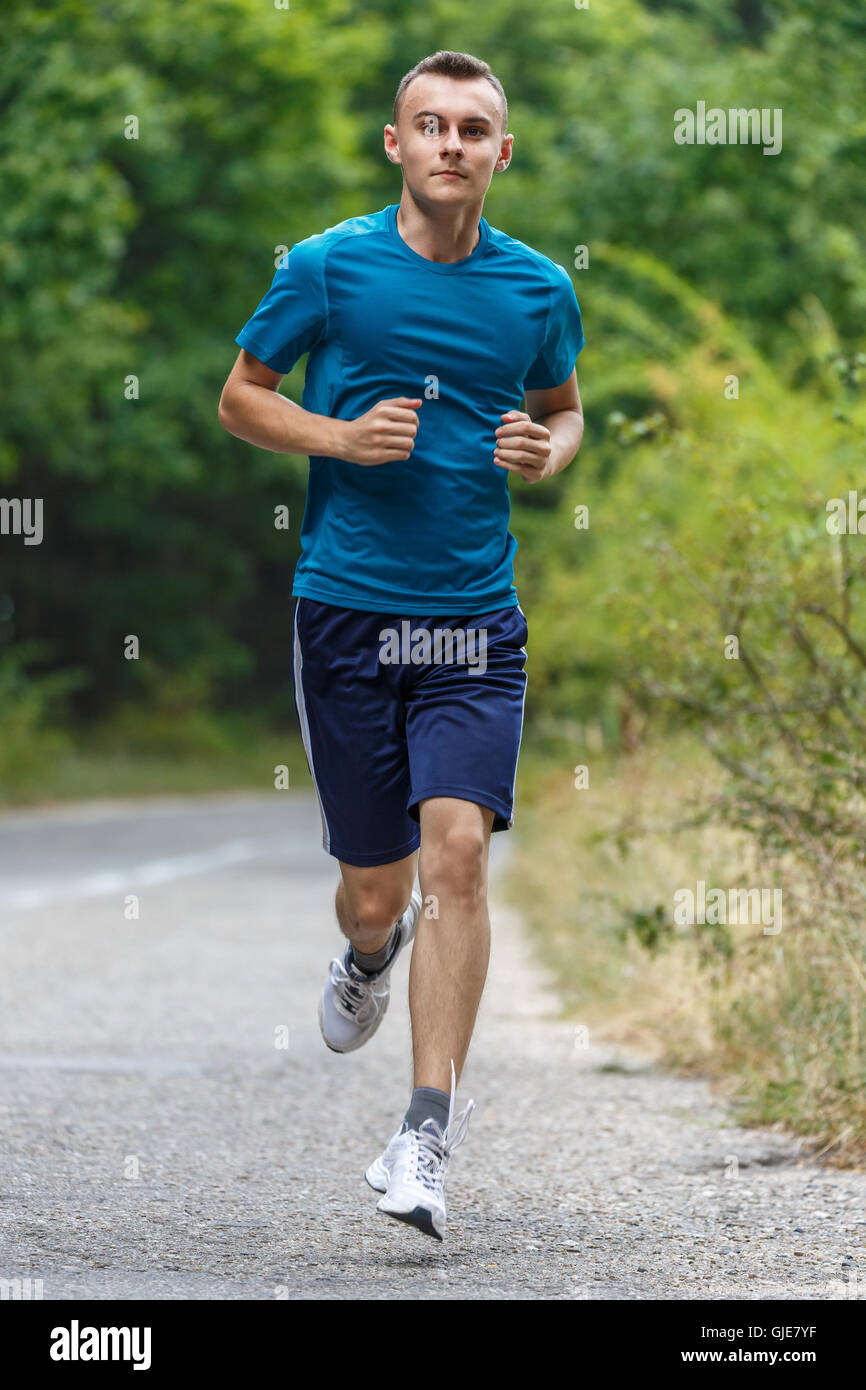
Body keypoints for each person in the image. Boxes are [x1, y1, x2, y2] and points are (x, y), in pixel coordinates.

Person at [218, 49, 584, 1240]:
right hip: (347, 614)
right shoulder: (328, 267)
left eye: (472, 129)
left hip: (473, 618)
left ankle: (422, 1135)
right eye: (427, 125)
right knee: (374, 894)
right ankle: (368, 956)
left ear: (499, 153)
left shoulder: (535, 290)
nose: (449, 145)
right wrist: (334, 434)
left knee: (458, 853)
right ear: (395, 144)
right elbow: (239, 395)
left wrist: (547, 451)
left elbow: (562, 409)